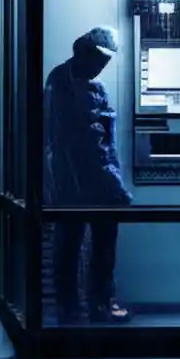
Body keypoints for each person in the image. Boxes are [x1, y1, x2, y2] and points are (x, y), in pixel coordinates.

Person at [44, 26, 133, 325]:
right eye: (100, 59)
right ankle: (96, 305)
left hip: (76, 183)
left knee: (74, 246)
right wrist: (115, 185)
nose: (102, 66)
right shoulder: (69, 87)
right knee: (88, 246)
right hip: (87, 184)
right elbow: (94, 145)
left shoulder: (64, 81)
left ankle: (80, 306)